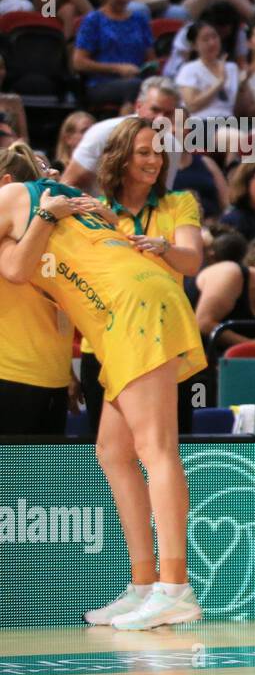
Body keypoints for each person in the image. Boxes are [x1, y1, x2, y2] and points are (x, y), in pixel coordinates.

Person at [0, 136, 206, 630]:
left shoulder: (16, 199)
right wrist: (50, 218)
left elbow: (15, 269)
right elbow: (18, 265)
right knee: (113, 452)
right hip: (122, 312)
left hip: (133, 306)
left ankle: (175, 588)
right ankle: (142, 586)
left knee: (155, 448)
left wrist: (47, 217)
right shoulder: (66, 209)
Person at [77, 117, 205, 437]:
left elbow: (191, 262)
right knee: (113, 456)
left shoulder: (179, 202)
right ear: (120, 156)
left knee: (166, 448)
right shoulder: (95, 211)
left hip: (165, 345)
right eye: (143, 152)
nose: (154, 161)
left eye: (159, 153)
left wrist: (163, 247)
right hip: (107, 349)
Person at [0, 145, 73, 435]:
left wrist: (67, 372)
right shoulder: (7, 240)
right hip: (10, 375)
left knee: (37, 480)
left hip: (51, 377)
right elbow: (17, 273)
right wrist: (45, 216)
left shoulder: (52, 234)